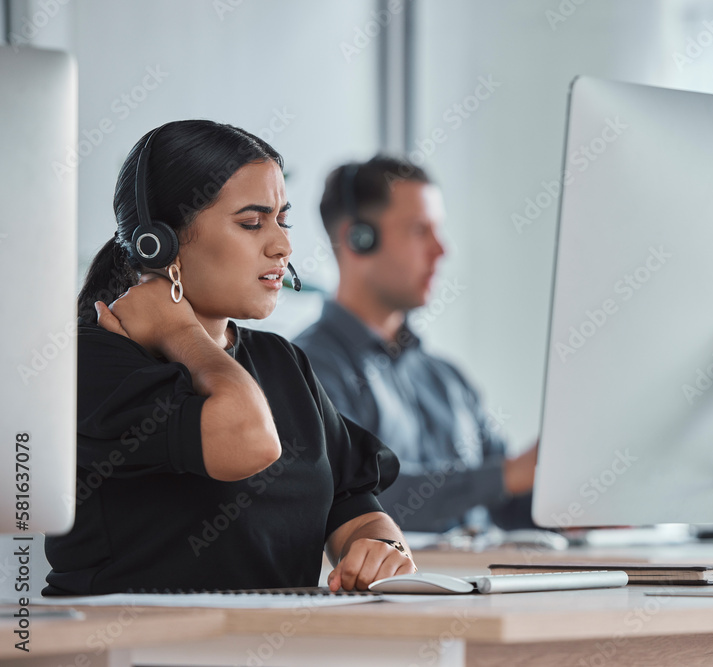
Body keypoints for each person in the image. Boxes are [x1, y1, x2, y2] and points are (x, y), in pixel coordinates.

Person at [44, 121, 415, 596]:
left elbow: (352, 498)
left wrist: (379, 546)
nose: (282, 246)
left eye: (283, 219)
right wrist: (180, 330)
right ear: (159, 241)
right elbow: (246, 439)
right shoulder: (92, 363)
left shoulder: (281, 362)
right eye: (251, 222)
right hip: (130, 651)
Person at [294, 156, 537, 533]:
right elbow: (353, 500)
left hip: (480, 582)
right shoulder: (305, 369)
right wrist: (504, 477)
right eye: (420, 230)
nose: (442, 250)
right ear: (358, 238)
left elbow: (506, 500)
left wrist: (567, 506)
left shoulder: (447, 379)